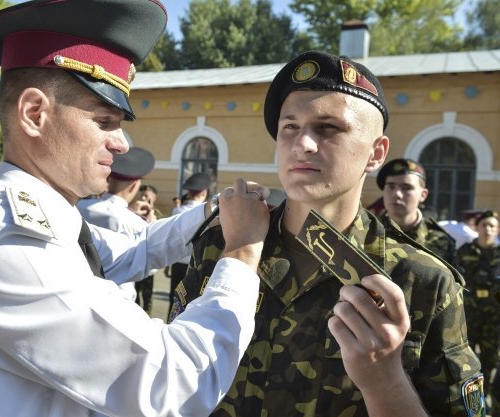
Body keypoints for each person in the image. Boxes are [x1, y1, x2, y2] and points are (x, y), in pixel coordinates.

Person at [0, 1, 271, 416]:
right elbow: (175, 382)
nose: (121, 144)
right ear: (35, 114)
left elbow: (136, 246)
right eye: (104, 121)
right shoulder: (2, 241)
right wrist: (242, 254)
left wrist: (218, 210)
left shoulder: (47, 219)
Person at [169, 50, 484, 417]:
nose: (302, 143)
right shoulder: (223, 245)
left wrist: (386, 381)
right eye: (290, 127)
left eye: (328, 128)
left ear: (376, 153)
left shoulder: (423, 283)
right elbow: (173, 378)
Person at [76, 146, 155, 301]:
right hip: (118, 299)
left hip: (80, 292)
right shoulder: (134, 222)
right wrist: (151, 226)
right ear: (134, 186)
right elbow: (149, 264)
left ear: (109, 178)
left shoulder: (80, 207)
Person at [456, 210, 500, 416]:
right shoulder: (464, 251)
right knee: (469, 362)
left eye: (492, 226)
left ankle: (488, 400)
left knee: (491, 361)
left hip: (494, 318)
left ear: (497, 229)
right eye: (484, 225)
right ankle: (473, 404)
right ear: (477, 228)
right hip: (470, 316)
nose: (488, 229)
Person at [377, 158, 457, 264]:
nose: (397, 194)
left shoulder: (441, 241)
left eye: (406, 188)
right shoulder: (366, 232)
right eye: (391, 186)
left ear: (423, 195)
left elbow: (453, 280)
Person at [166, 172, 212, 316]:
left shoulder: (178, 210)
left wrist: (168, 263)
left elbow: (170, 239)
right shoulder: (210, 213)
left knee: (174, 298)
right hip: (197, 264)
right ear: (204, 192)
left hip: (177, 261)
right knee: (192, 302)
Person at [136, 183, 163, 312]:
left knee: (147, 296)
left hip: (149, 261)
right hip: (134, 258)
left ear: (153, 198)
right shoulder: (134, 211)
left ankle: (147, 316)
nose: (143, 198)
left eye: (146, 196)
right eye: (142, 195)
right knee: (134, 295)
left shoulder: (157, 214)